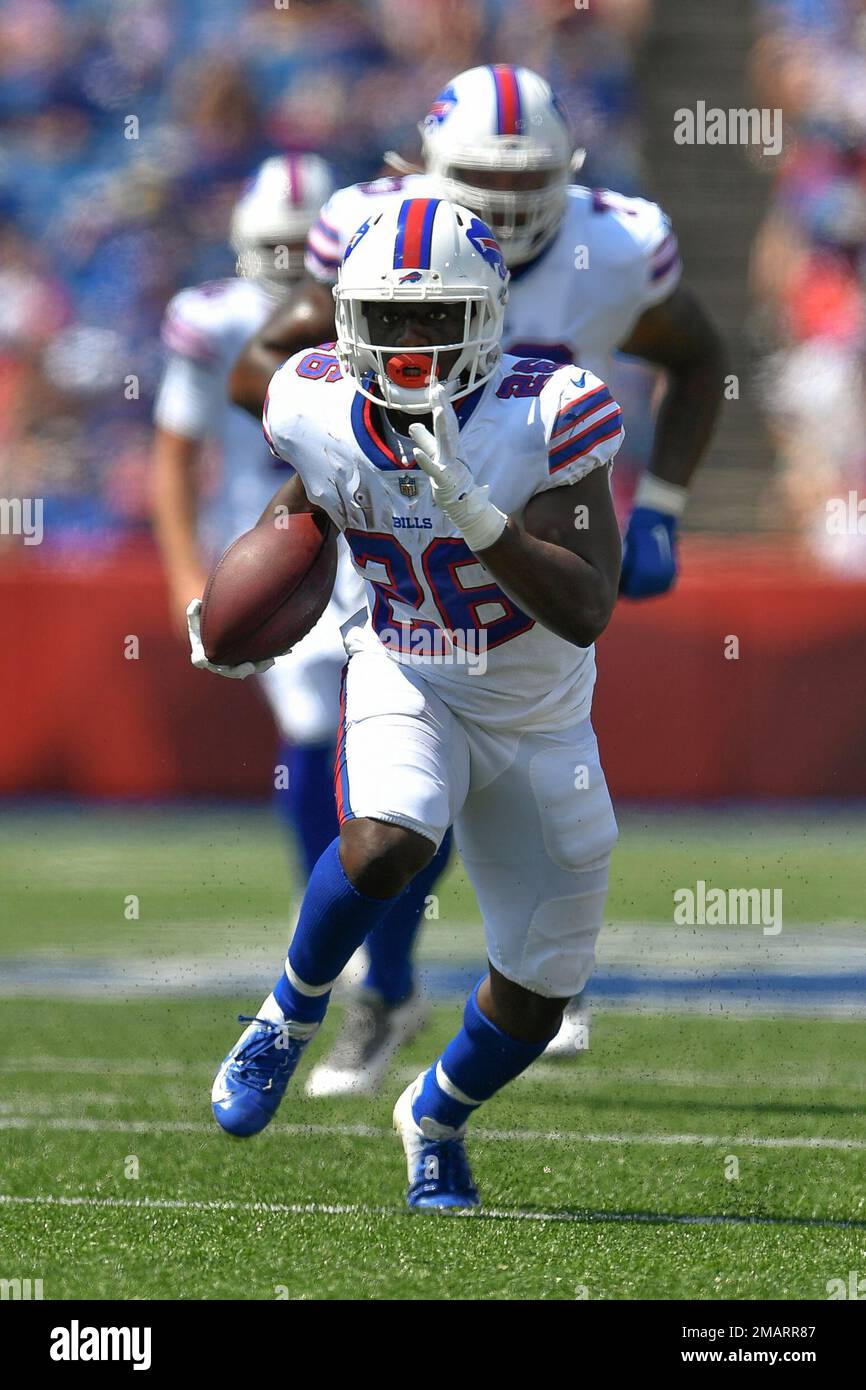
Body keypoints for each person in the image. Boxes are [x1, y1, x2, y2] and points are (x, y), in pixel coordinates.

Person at [228, 64, 725, 1075]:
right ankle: (378, 987)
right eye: (479, 179)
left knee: (521, 740)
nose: (502, 201)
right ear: (421, 166)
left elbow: (697, 354)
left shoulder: (615, 241)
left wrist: (661, 506)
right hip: (408, 543)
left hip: (539, 516)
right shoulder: (373, 233)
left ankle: (492, 972)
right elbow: (263, 365)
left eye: (526, 176)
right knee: (402, 792)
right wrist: (339, 474)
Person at [193, 196, 624, 1209]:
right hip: (406, 665)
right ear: (348, 317)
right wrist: (226, 619)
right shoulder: (312, 401)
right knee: (388, 838)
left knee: (537, 985)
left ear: (485, 316)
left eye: (435, 317)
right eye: (387, 316)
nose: (408, 340)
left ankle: (431, 1115)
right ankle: (285, 1016)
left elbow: (586, 604)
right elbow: (300, 513)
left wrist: (475, 509)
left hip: (537, 715)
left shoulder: (549, 410)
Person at [152, 156, 450, 1074]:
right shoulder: (219, 324)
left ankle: (379, 967)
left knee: (423, 782)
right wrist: (185, 577)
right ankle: (348, 940)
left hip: (383, 542)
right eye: (270, 247)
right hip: (282, 558)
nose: (287, 262)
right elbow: (176, 451)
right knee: (321, 726)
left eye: (300, 245)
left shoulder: (385, 309)